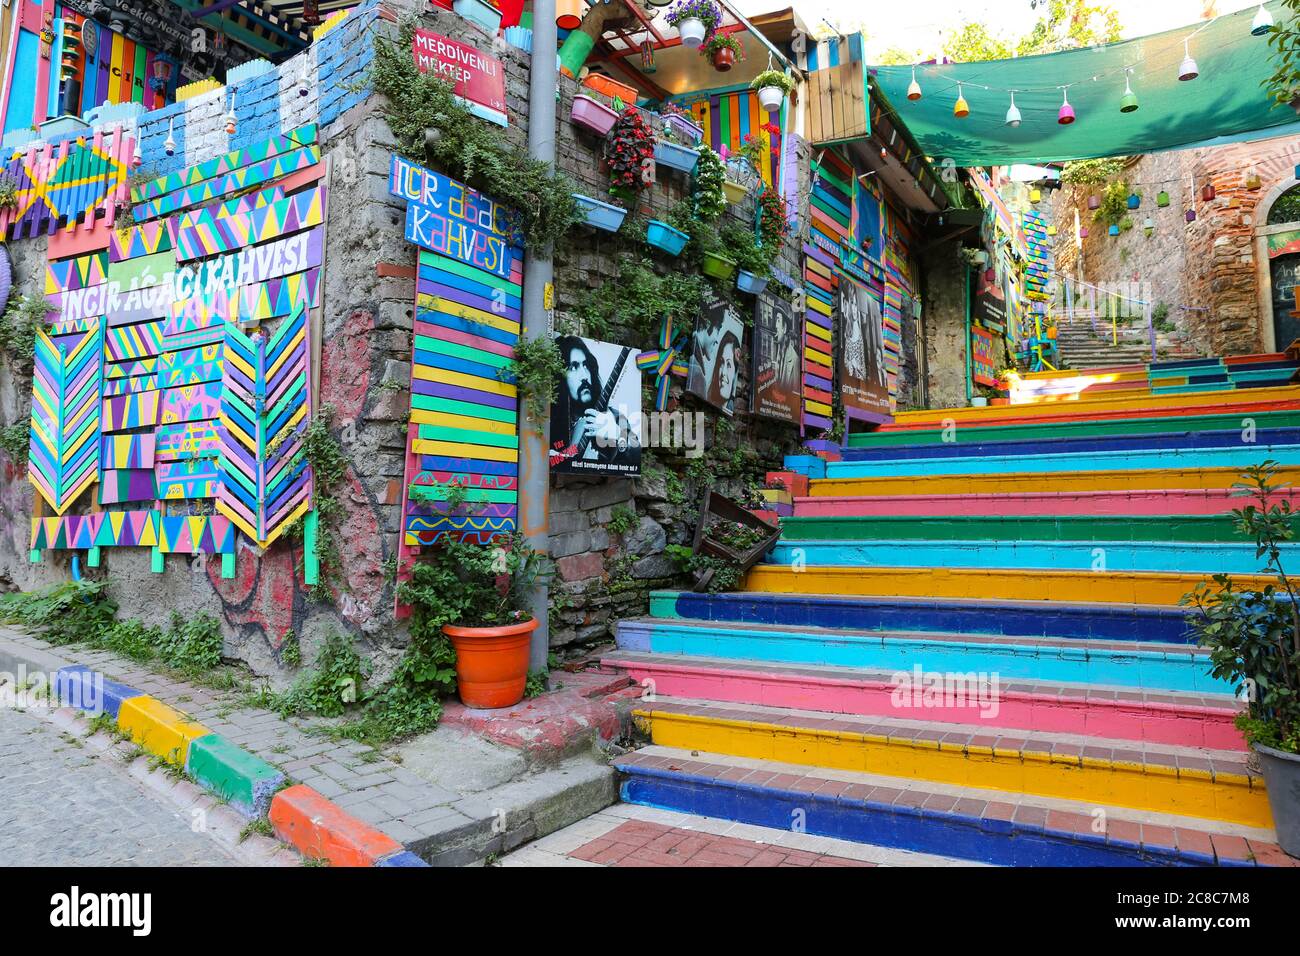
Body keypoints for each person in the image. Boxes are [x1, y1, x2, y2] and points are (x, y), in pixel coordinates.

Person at [550, 336, 639, 468]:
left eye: (586, 365)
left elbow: (635, 458)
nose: (584, 376)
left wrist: (616, 434)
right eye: (573, 367)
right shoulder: (550, 421)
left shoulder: (614, 417)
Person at [708, 330, 741, 416]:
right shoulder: (707, 397)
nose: (724, 372)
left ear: (735, 373)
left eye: (729, 365)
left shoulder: (730, 407)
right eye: (721, 363)